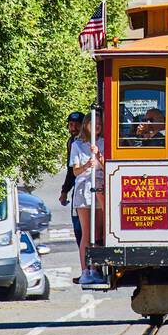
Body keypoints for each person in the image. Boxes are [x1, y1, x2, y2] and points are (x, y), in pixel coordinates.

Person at [69, 113, 105, 285]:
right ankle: (85, 270)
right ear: (87, 125)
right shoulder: (77, 145)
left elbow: (108, 166)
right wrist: (85, 166)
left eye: (99, 123)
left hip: (99, 188)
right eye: (93, 123)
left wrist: (98, 156)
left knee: (97, 233)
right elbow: (75, 171)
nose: (97, 126)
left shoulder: (105, 143)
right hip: (84, 189)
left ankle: (96, 269)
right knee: (86, 232)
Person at [59, 111, 85, 248]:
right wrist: (65, 191)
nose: (73, 128)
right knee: (78, 226)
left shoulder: (85, 142)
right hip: (78, 189)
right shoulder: (71, 142)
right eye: (71, 125)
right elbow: (71, 171)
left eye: (77, 125)